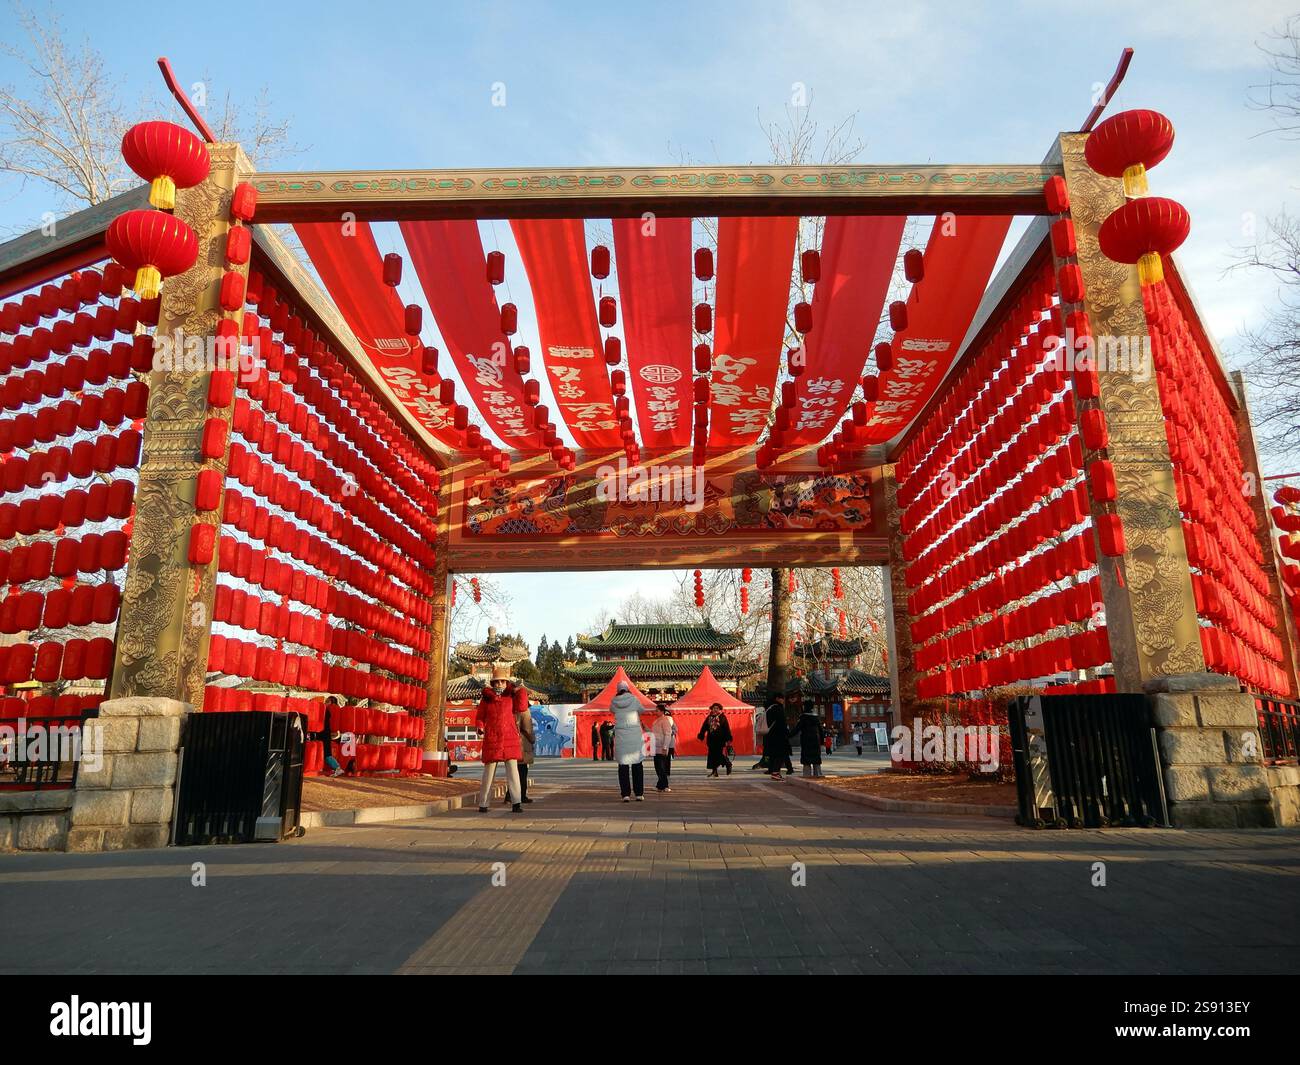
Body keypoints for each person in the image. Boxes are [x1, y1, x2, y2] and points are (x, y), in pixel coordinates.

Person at [476, 667, 522, 813]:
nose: (499, 684)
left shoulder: (511, 697)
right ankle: (483, 804)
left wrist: (520, 691)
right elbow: (480, 717)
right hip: (492, 738)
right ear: (493, 683)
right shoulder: (486, 699)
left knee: (513, 773)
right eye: (497, 682)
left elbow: (521, 707)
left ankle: (516, 803)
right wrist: (480, 727)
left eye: (502, 681)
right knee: (488, 773)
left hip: (509, 738)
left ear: (506, 683)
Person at [609, 681, 648, 801]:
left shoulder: (614, 702)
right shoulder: (634, 699)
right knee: (637, 764)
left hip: (621, 736)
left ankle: (625, 794)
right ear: (627, 688)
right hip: (634, 735)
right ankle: (639, 794)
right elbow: (642, 710)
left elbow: (611, 710)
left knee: (623, 766)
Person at [504, 680, 536, 804]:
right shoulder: (524, 711)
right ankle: (521, 795)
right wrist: (532, 739)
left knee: (513, 771)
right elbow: (527, 728)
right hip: (523, 744)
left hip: (511, 743)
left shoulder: (510, 708)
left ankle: (509, 795)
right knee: (522, 771)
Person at [761, 694, 792, 782]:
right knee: (780, 754)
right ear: (777, 699)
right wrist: (787, 733)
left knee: (774, 755)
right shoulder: (778, 708)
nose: (783, 700)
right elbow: (782, 723)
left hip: (770, 735)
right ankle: (775, 772)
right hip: (779, 736)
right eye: (782, 698)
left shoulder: (769, 708)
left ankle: (774, 772)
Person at [698, 702, 734, 777]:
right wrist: (701, 734)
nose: (715, 710)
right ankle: (714, 771)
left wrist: (728, 738)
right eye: (714, 708)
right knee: (712, 755)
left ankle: (728, 764)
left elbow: (726, 728)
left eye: (717, 708)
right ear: (712, 709)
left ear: (720, 709)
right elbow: (704, 727)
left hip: (720, 739)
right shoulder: (709, 717)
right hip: (711, 739)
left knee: (718, 755)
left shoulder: (722, 717)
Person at [651, 701, 678, 792]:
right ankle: (660, 785)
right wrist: (644, 727)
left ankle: (665, 785)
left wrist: (665, 747)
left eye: (657, 710)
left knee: (661, 767)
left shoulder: (665, 720)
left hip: (662, 746)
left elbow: (668, 733)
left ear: (662, 711)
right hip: (656, 746)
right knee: (658, 767)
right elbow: (654, 733)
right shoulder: (656, 721)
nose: (656, 712)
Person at [796, 701, 826, 778]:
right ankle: (818, 774)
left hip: (806, 740)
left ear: (805, 707)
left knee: (806, 759)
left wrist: (788, 735)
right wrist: (822, 741)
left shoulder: (803, 717)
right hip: (815, 740)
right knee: (816, 758)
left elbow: (797, 729)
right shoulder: (816, 717)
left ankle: (807, 775)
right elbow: (821, 730)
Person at [319, 697, 344, 777]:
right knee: (327, 752)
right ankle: (337, 768)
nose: (325, 703)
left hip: (324, 733)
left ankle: (337, 768)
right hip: (330, 732)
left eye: (326, 701)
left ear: (330, 702)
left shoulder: (327, 710)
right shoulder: (336, 710)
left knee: (327, 753)